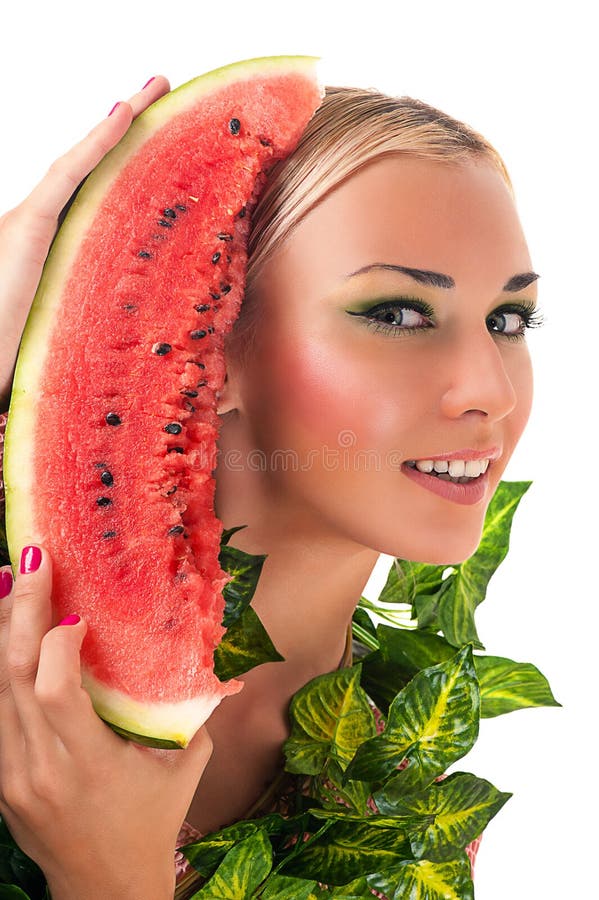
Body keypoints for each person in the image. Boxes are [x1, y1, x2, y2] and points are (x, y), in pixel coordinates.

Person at [0, 72, 541, 899]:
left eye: (508, 320)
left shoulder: (406, 794)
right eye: (396, 314)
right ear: (201, 337)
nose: (490, 392)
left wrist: (111, 879)